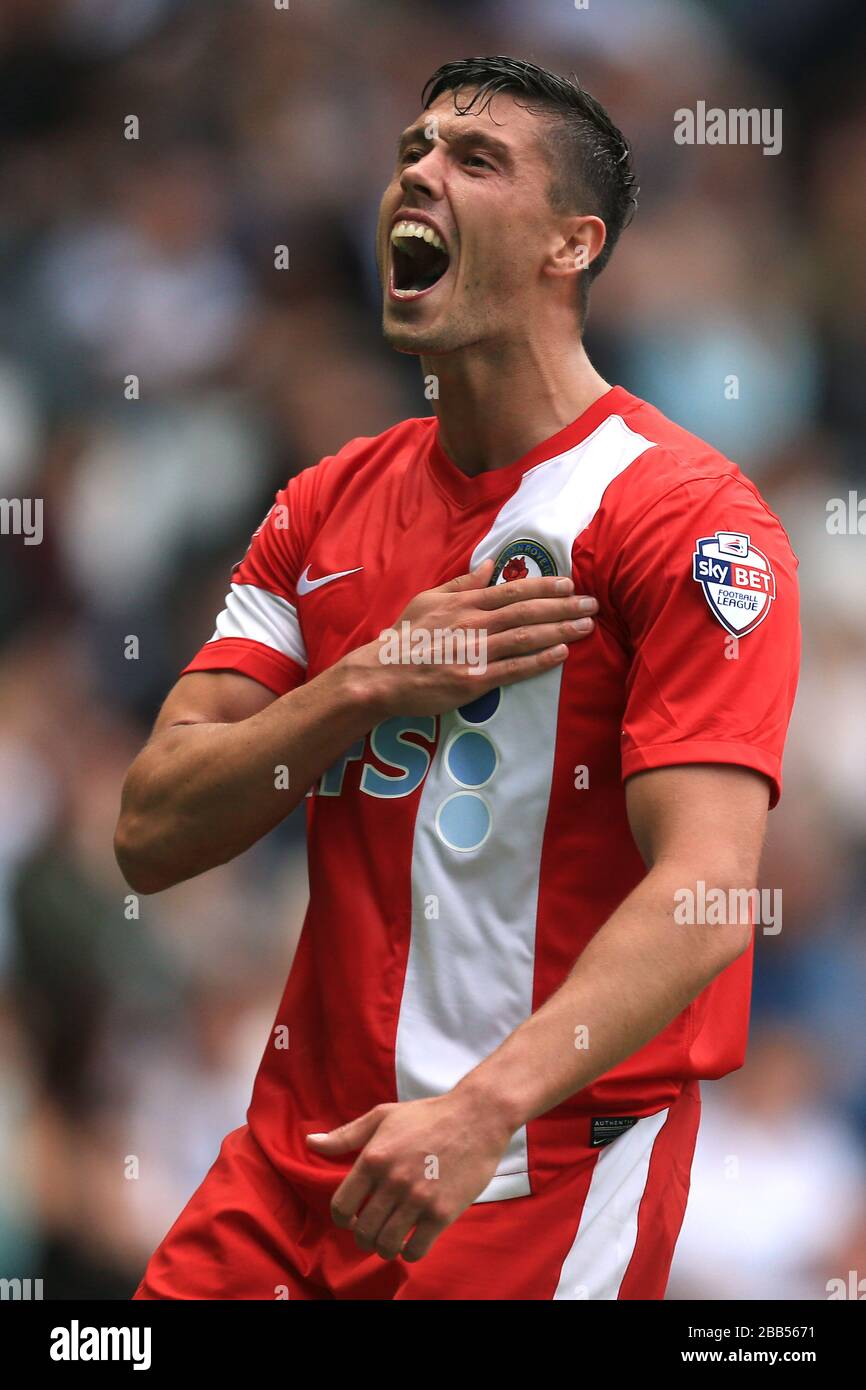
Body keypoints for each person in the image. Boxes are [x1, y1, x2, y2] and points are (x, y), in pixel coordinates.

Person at [117, 56, 800, 1300]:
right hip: (295, 1165)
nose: (416, 174)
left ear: (568, 244)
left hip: (528, 1171)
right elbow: (148, 830)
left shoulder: (691, 523)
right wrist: (363, 683)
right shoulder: (321, 507)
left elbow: (707, 890)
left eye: (473, 161)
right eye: (411, 153)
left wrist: (481, 1104)